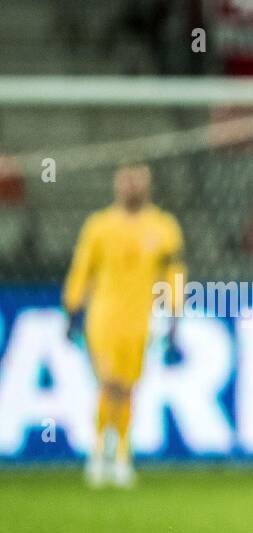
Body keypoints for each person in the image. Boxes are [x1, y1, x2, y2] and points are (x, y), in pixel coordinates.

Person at [64, 164, 184, 488]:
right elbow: (83, 270)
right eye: (127, 180)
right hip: (103, 316)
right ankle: (100, 450)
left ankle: (120, 454)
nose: (132, 186)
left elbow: (172, 274)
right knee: (109, 383)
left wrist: (174, 313)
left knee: (128, 388)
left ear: (147, 185)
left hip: (139, 318)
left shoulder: (163, 227)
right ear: (118, 186)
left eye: (138, 180)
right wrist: (72, 308)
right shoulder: (99, 226)